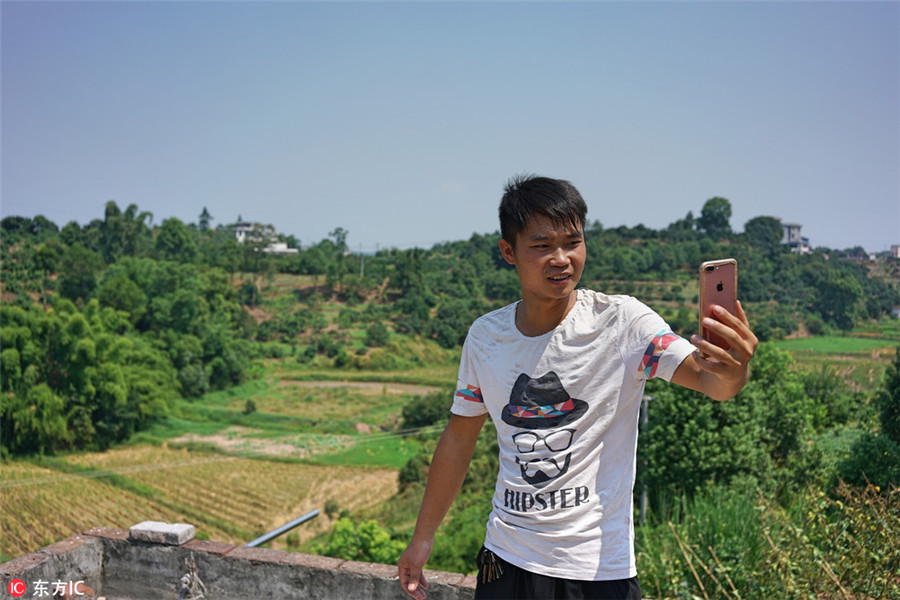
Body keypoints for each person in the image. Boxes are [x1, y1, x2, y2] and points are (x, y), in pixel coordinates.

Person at [397, 175, 758, 600]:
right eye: (542, 245)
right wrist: (423, 536)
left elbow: (710, 382)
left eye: (572, 241)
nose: (561, 259)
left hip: (597, 572)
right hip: (504, 563)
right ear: (508, 251)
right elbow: (459, 437)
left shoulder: (623, 323)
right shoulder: (485, 337)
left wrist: (733, 370)